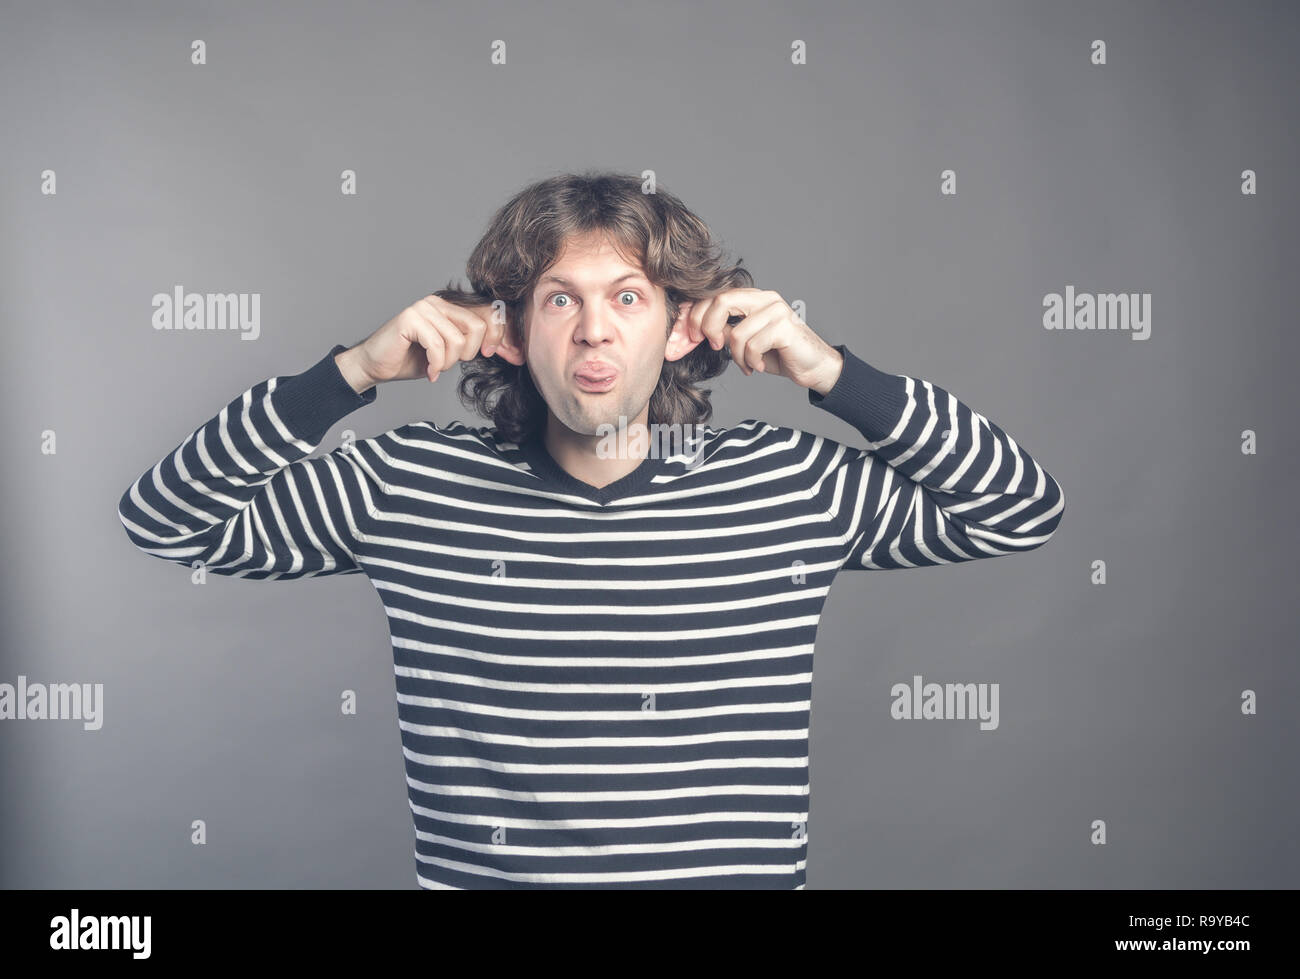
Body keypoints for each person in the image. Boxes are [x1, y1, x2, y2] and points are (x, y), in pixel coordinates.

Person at [118, 170, 1064, 889]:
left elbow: (1021, 507)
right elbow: (167, 519)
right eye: (561, 299)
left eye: (629, 296)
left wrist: (832, 371)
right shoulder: (405, 483)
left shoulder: (789, 484)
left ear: (682, 328)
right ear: (512, 329)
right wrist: (351, 372)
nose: (594, 332)